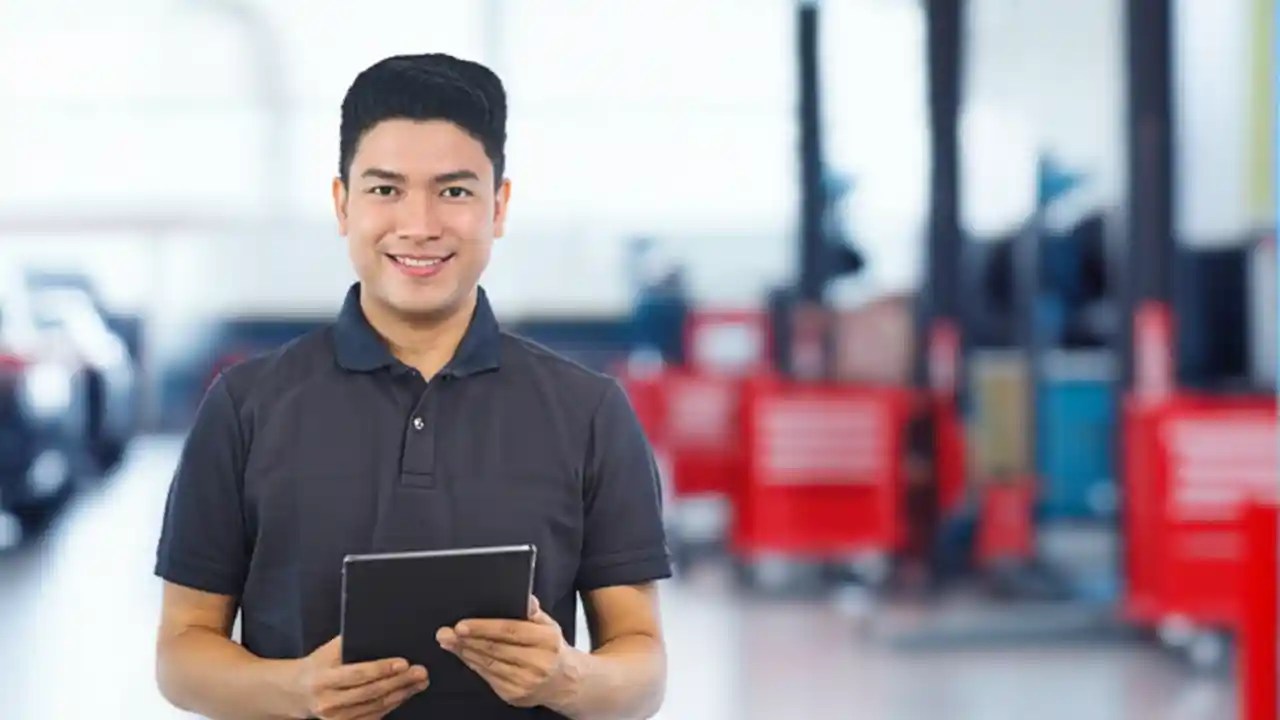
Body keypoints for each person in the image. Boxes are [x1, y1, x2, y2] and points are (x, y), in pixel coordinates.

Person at [154, 53, 671, 720]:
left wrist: (567, 677)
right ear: (342, 203)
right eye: (385, 189)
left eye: (454, 191)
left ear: (499, 205)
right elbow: (181, 650)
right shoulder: (244, 407)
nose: (419, 224)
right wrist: (293, 692)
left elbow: (642, 663)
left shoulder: (588, 411)